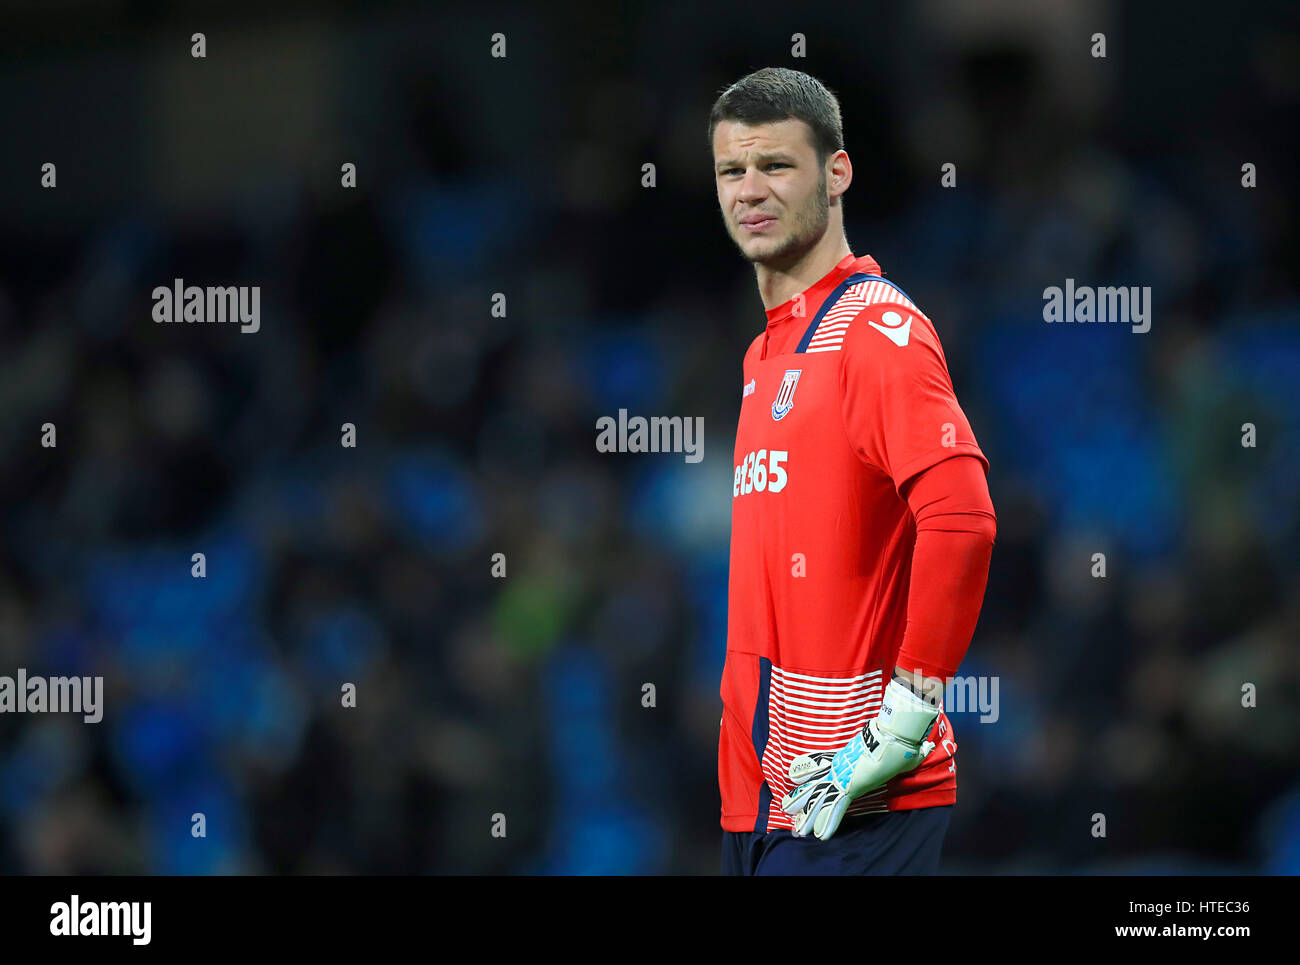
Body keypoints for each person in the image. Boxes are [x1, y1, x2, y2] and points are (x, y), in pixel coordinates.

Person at [710, 67, 997, 875]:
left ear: (836, 173)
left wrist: (905, 719)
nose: (751, 190)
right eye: (733, 170)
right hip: (766, 793)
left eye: (777, 166)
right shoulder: (764, 352)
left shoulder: (877, 330)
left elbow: (963, 519)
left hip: (860, 795)